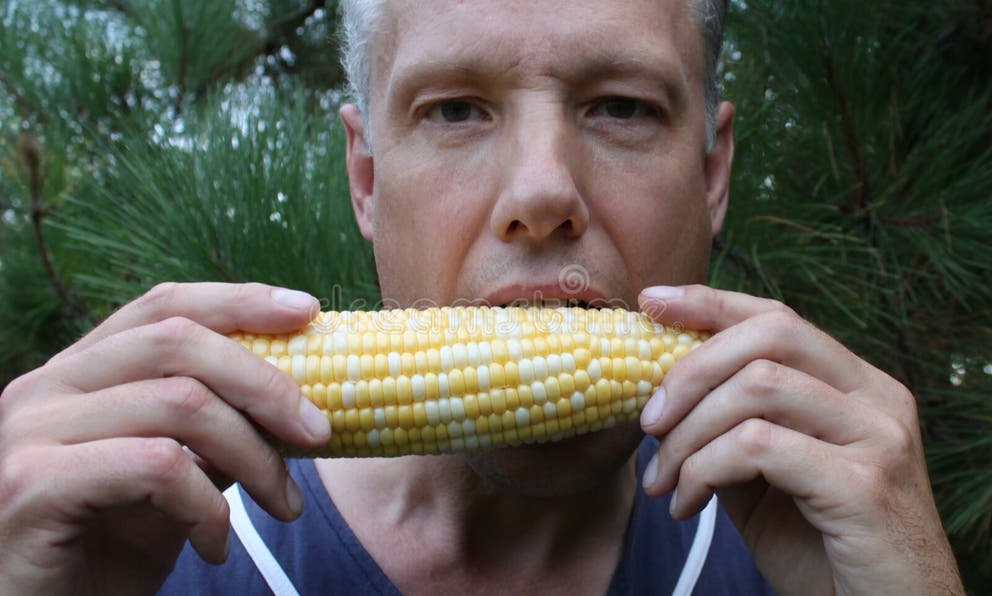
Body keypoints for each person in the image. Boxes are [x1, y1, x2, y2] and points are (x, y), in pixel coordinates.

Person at [0, 0, 965, 594]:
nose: (542, 192)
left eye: (622, 107)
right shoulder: (136, 543)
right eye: (455, 110)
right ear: (366, 179)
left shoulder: (828, 551)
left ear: (713, 176)